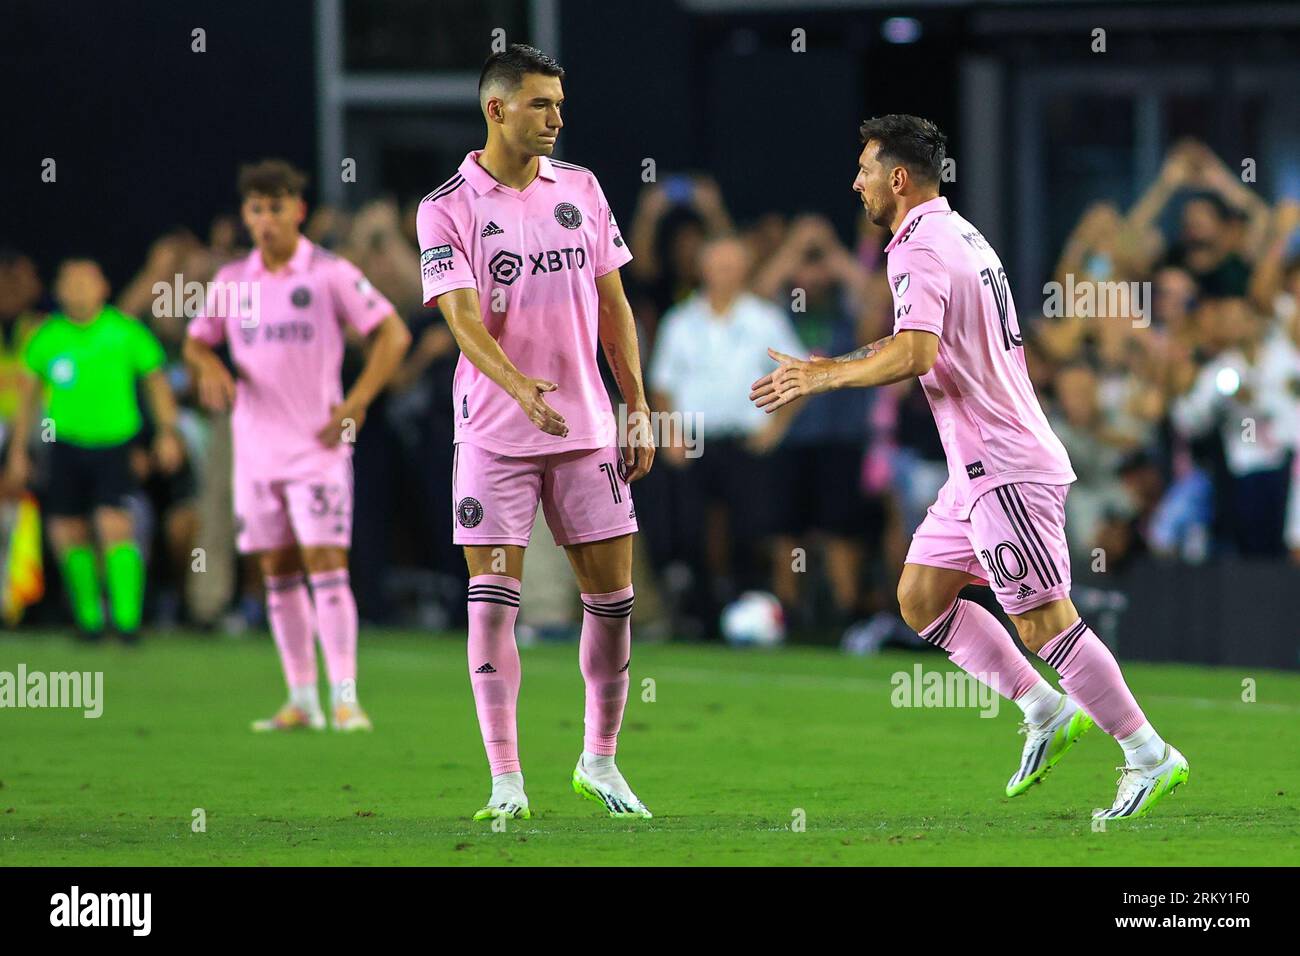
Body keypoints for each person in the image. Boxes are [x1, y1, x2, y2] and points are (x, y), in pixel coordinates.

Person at [750, 114, 1189, 821]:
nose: (854, 181)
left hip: (1003, 463)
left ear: (897, 177)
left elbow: (915, 353)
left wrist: (823, 376)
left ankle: (1148, 755)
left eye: (864, 168)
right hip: (976, 467)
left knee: (1046, 623)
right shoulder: (962, 232)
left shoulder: (914, 247)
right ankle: (1045, 709)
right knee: (922, 595)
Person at [415, 45, 655, 821]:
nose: (557, 117)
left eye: (559, 102)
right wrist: (518, 387)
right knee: (493, 606)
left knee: (613, 602)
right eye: (540, 104)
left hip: (583, 428)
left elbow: (614, 307)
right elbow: (459, 320)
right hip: (493, 433)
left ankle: (601, 760)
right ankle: (507, 782)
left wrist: (638, 404)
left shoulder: (580, 189)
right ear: (497, 109)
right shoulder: (446, 206)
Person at [183, 159, 411, 733]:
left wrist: (357, 401)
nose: (265, 220)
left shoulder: (329, 273)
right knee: (278, 571)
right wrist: (208, 364)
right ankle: (301, 699)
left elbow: (393, 332)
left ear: (298, 211)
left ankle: (345, 696)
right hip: (256, 451)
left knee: (326, 564)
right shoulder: (233, 282)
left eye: (276, 207)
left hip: (317, 447)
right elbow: (196, 344)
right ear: (245, 214)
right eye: (256, 209)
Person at [5, 259, 184, 640]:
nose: (78, 290)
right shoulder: (47, 337)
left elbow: (156, 384)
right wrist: (20, 451)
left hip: (115, 443)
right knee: (68, 530)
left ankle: (127, 621)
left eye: (86, 282)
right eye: (70, 283)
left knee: (114, 524)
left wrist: (167, 433)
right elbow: (29, 399)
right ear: (59, 290)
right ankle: (88, 621)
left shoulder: (124, 332)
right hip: (63, 443)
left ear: (103, 287)